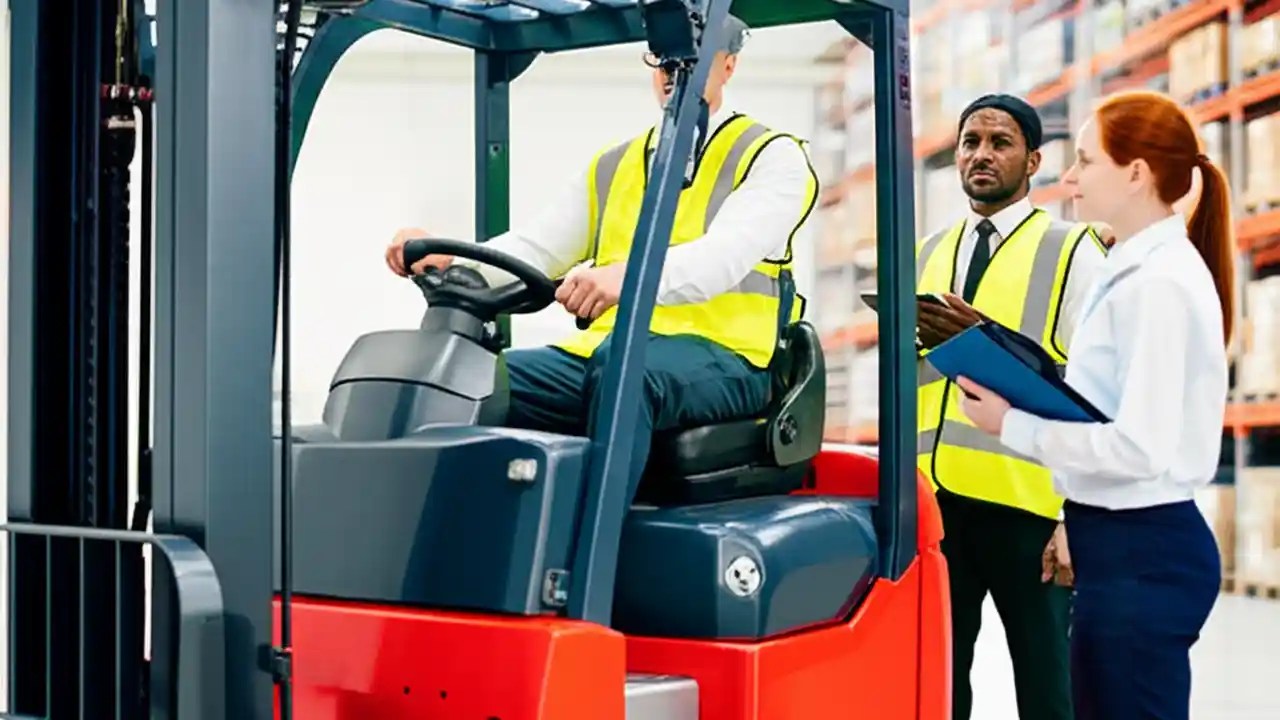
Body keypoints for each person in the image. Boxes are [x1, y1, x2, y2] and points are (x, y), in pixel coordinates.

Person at [383, 14, 819, 503]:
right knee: (471, 379)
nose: (674, 70)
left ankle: (587, 562)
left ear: (729, 64)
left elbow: (723, 257)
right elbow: (537, 247)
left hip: (730, 363)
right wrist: (450, 256)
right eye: (664, 59)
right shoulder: (617, 165)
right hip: (618, 356)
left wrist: (622, 280)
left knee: (624, 367)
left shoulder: (771, 158)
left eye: (692, 57)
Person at [957, 89, 1231, 719]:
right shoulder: (1130, 268)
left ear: (1135, 174)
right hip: (1116, 545)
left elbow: (1139, 445)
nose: (1071, 176)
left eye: (1086, 160)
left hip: (1145, 551)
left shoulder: (1159, 285)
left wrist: (1013, 425)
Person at [912, 93, 1108, 720]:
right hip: (937, 509)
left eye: (1000, 143)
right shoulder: (927, 251)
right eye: (971, 142)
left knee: (1050, 685)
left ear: (1033, 162)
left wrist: (1079, 513)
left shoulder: (1071, 250)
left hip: (1032, 507)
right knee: (941, 683)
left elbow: (1100, 388)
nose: (981, 155)